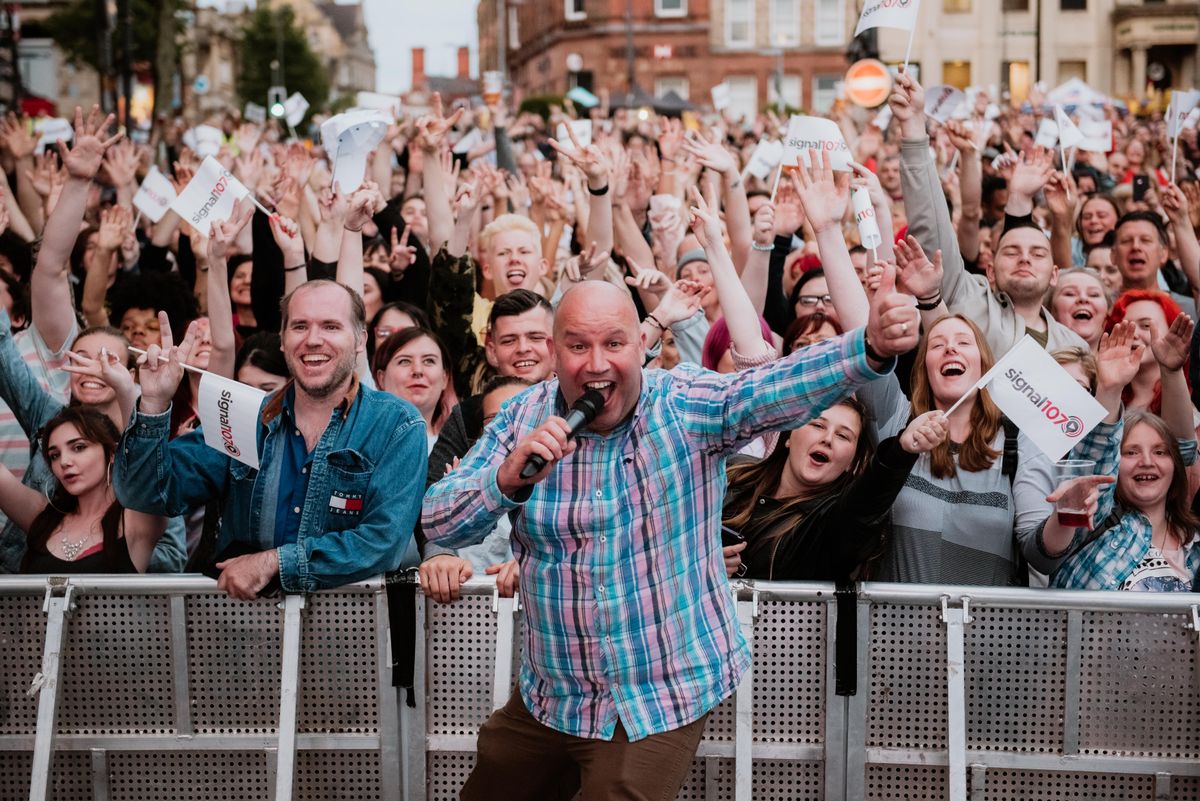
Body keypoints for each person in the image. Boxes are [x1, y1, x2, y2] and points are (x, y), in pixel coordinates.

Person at [422, 270, 919, 799]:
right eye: (577, 346)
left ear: (641, 344)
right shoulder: (521, 416)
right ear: (553, 351)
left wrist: (867, 347)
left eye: (613, 343)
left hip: (657, 696)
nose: (596, 364)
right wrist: (504, 482)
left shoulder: (683, 404)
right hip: (553, 692)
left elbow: (771, 389)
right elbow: (438, 519)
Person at [114, 279, 428, 599]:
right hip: (248, 633)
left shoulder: (397, 424)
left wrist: (275, 562)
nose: (313, 340)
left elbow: (382, 543)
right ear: (282, 339)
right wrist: (152, 404)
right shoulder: (242, 414)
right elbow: (145, 494)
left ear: (360, 340)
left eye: (331, 326)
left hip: (346, 635)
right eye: (300, 326)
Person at [889, 68, 1087, 356]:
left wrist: (1026, 200)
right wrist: (914, 128)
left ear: (1055, 275)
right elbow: (930, 222)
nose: (1024, 257)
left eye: (1039, 254)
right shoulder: (967, 298)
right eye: (1010, 252)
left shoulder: (1075, 346)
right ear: (990, 272)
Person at [720, 398, 948, 581]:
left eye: (843, 436)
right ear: (788, 437)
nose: (827, 439)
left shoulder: (829, 523)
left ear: (851, 462)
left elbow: (863, 508)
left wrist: (902, 450)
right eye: (817, 425)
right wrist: (702, 565)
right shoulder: (731, 472)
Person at [1, 407, 168, 573]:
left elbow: (145, 449)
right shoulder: (43, 516)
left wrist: (123, 385)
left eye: (79, 447)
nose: (64, 461)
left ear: (112, 453)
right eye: (55, 455)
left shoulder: (136, 521)